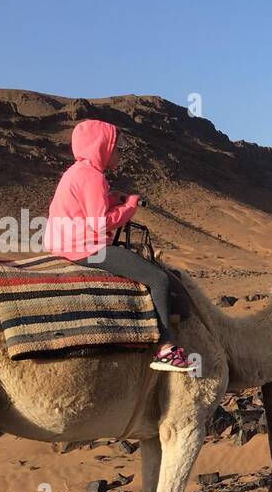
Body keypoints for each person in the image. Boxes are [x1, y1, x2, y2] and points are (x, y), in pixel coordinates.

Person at [44, 119, 192, 371]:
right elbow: (100, 223)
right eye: (116, 148)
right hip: (83, 247)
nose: (120, 153)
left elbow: (92, 205)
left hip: (64, 243)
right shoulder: (92, 177)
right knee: (159, 279)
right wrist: (129, 207)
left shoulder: (78, 171)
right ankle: (166, 348)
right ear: (101, 147)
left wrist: (114, 198)